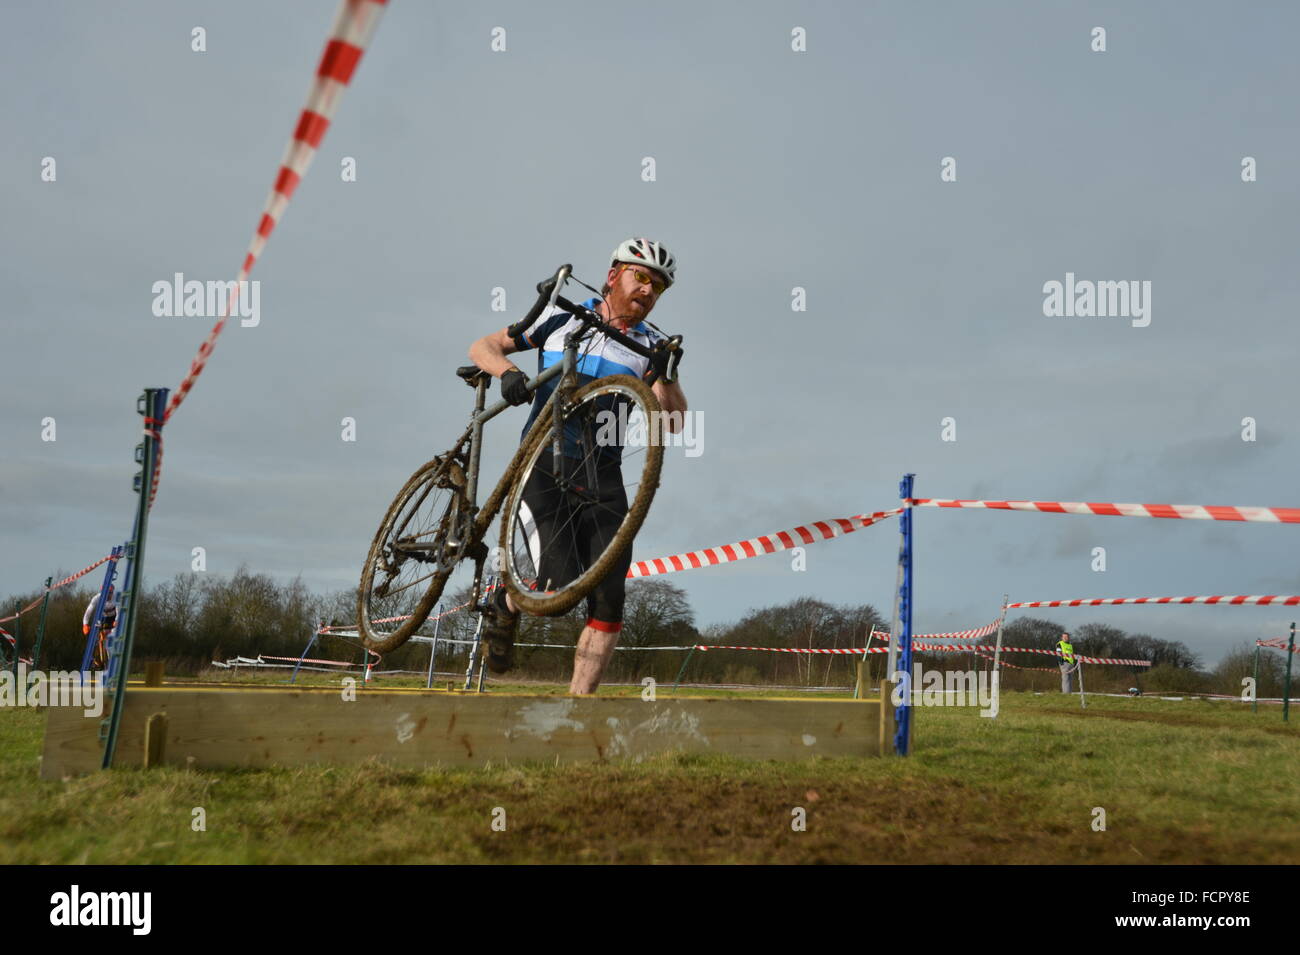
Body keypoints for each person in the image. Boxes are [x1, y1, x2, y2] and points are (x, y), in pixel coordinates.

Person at [467, 238, 688, 694]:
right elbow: (483, 345)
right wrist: (507, 373)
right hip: (545, 463)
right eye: (640, 277)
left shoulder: (650, 348)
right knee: (558, 585)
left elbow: (674, 424)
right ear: (613, 276)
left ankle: (578, 713)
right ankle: (505, 603)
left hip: (603, 475)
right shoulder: (563, 317)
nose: (648, 290)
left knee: (610, 598)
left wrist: (667, 374)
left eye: (658, 286)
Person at [83, 586, 118, 669]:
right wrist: (85, 624)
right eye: (106, 593)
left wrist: (116, 620)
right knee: (95, 636)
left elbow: (118, 611)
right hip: (102, 618)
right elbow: (88, 612)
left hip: (114, 618)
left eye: (110, 593)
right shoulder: (96, 598)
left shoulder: (116, 597)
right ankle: (94, 659)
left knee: (110, 637)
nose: (108, 595)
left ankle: (111, 660)